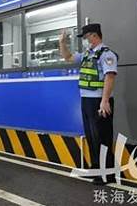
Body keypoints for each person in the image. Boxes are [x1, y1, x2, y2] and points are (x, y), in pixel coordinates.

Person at [59, 23, 118, 185]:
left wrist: (104, 100)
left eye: (85, 37)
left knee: (102, 137)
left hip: (100, 101)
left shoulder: (106, 54)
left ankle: (107, 174)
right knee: (92, 137)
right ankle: (96, 169)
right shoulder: (87, 54)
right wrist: (62, 43)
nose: (84, 40)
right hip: (86, 101)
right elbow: (68, 57)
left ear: (93, 35)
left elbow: (110, 77)